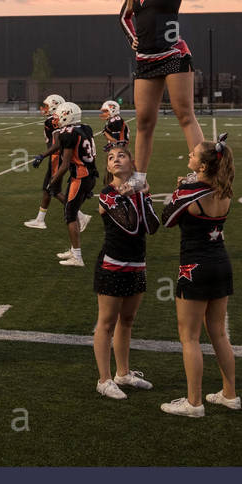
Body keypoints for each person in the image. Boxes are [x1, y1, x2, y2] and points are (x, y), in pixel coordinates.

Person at [120, 0, 206, 191]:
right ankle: (140, 179)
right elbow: (123, 19)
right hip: (145, 60)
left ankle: (201, 173)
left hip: (174, 56)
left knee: (185, 115)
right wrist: (134, 40)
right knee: (144, 123)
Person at [159, 134, 239, 418]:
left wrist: (179, 188)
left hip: (194, 268)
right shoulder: (224, 191)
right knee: (218, 332)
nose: (189, 157)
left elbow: (166, 220)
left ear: (203, 166)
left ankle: (194, 403)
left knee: (189, 337)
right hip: (221, 263)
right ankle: (230, 394)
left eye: (193, 155)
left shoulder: (188, 193)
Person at [91, 140, 160, 399]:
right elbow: (130, 225)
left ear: (132, 163)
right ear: (108, 167)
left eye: (122, 155)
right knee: (107, 323)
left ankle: (123, 373)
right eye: (111, 158)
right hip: (112, 265)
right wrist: (134, 192)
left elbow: (152, 227)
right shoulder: (107, 194)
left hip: (137, 264)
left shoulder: (140, 191)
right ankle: (104, 379)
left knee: (127, 321)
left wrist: (142, 194)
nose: (116, 159)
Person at [40, 102, 98, 267]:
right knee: (71, 211)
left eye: (59, 115)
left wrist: (53, 181)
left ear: (67, 115)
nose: (56, 118)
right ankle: (74, 251)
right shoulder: (85, 128)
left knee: (70, 215)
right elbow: (63, 146)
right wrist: (43, 155)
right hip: (89, 174)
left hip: (80, 177)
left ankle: (77, 257)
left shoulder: (68, 133)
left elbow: (65, 165)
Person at [24, 94, 65, 229]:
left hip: (56, 157)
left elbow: (57, 144)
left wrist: (42, 156)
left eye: (47, 106)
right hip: (58, 156)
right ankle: (40, 220)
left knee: (53, 190)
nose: (44, 108)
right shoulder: (57, 119)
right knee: (48, 189)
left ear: (54, 106)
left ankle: (78, 215)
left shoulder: (51, 121)